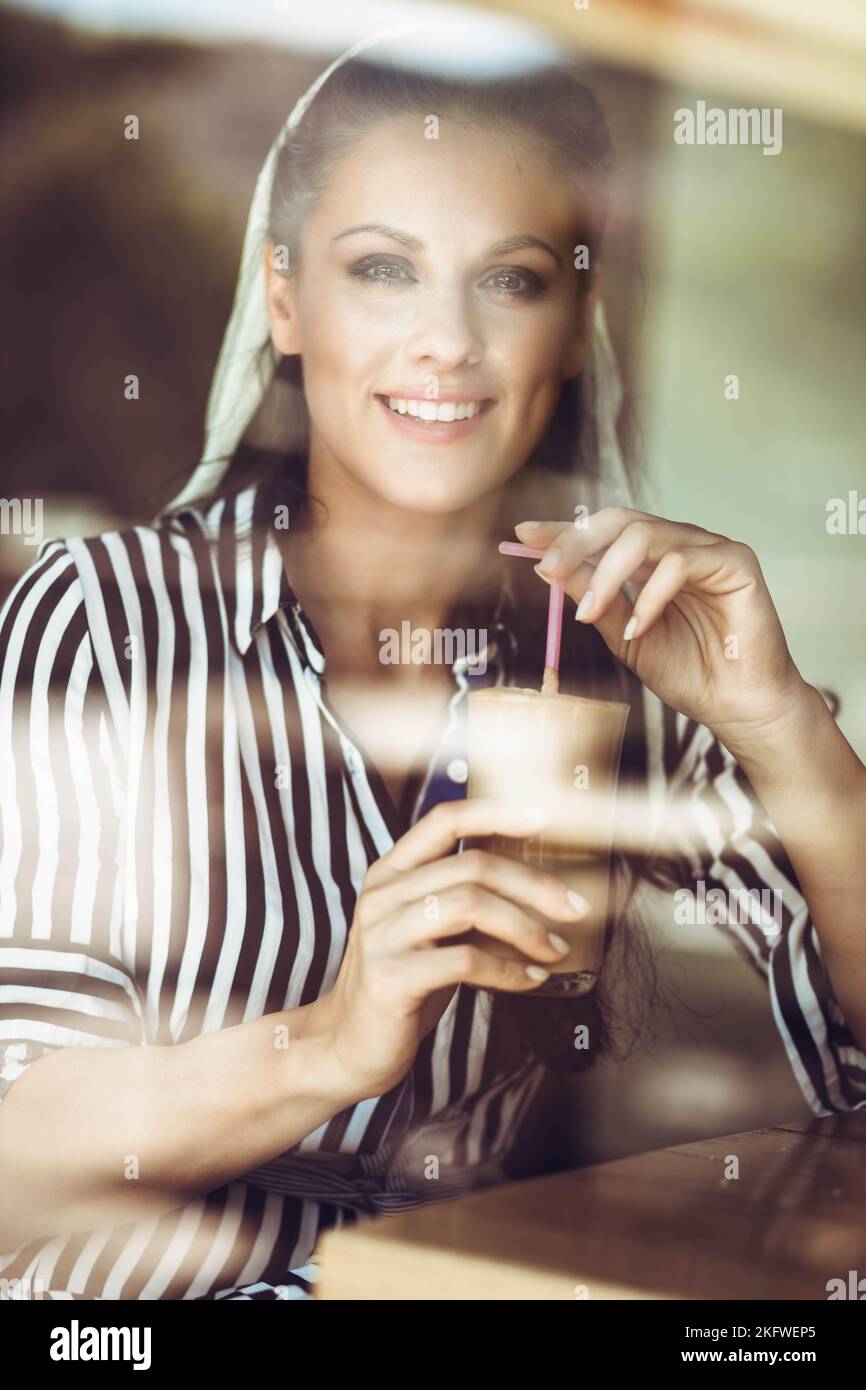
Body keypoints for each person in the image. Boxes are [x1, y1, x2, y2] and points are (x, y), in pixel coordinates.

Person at [1, 25, 864, 1302]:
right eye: (381, 270)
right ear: (285, 300)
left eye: (510, 281)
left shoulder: (617, 662)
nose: (448, 342)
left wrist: (781, 722)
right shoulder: (109, 616)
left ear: (577, 325)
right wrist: (329, 1042)